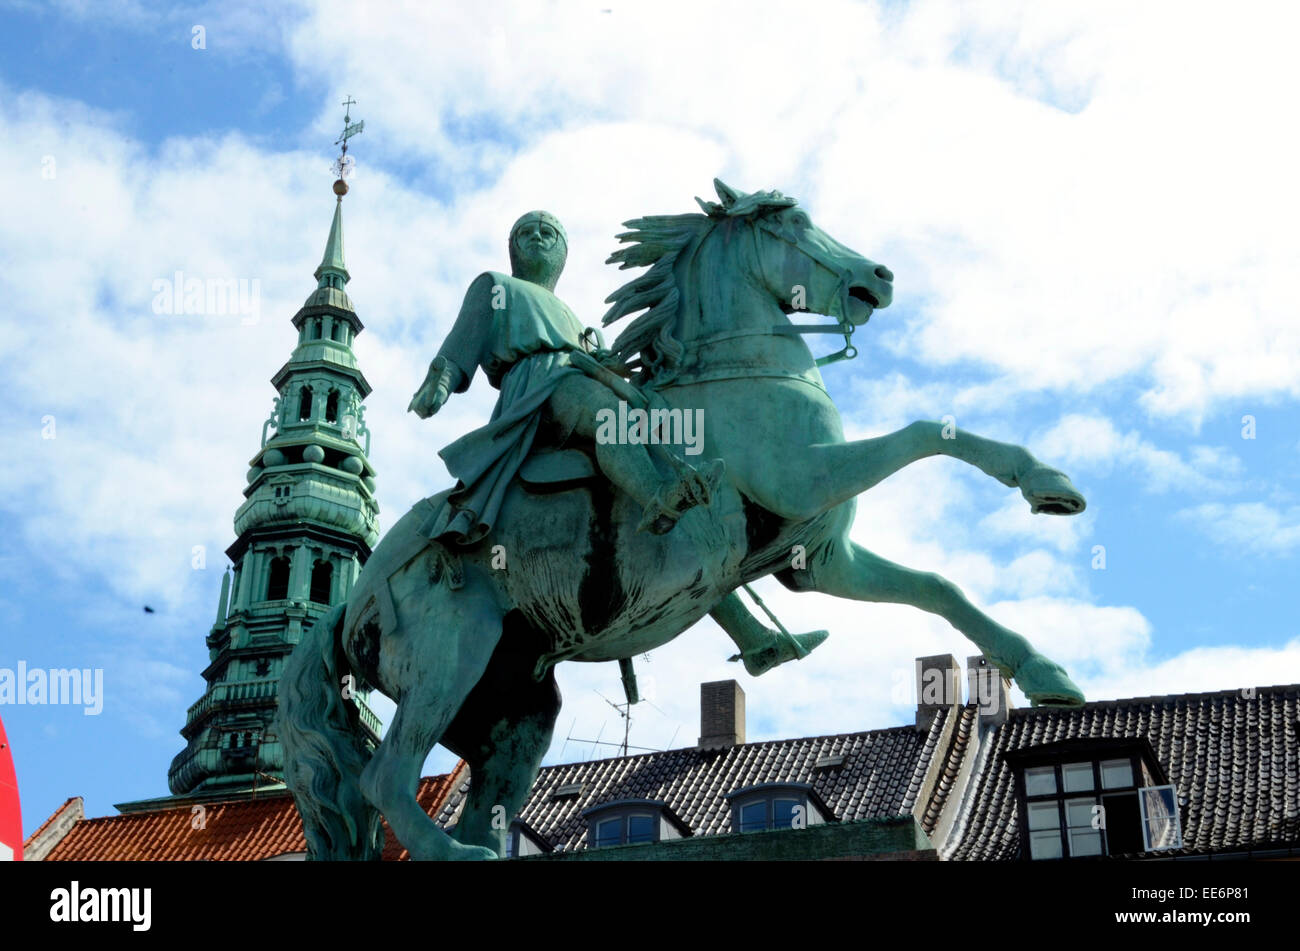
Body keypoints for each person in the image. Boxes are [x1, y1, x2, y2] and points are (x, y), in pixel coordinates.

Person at [409, 210, 826, 676]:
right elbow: (460, 343)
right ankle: (657, 498)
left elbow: (607, 371)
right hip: (539, 390)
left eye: (549, 232)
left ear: (564, 253)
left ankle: (755, 638)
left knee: (680, 486)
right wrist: (441, 380)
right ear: (512, 249)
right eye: (525, 232)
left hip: (584, 386)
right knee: (613, 421)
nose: (537, 238)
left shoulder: (577, 320)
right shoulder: (496, 288)